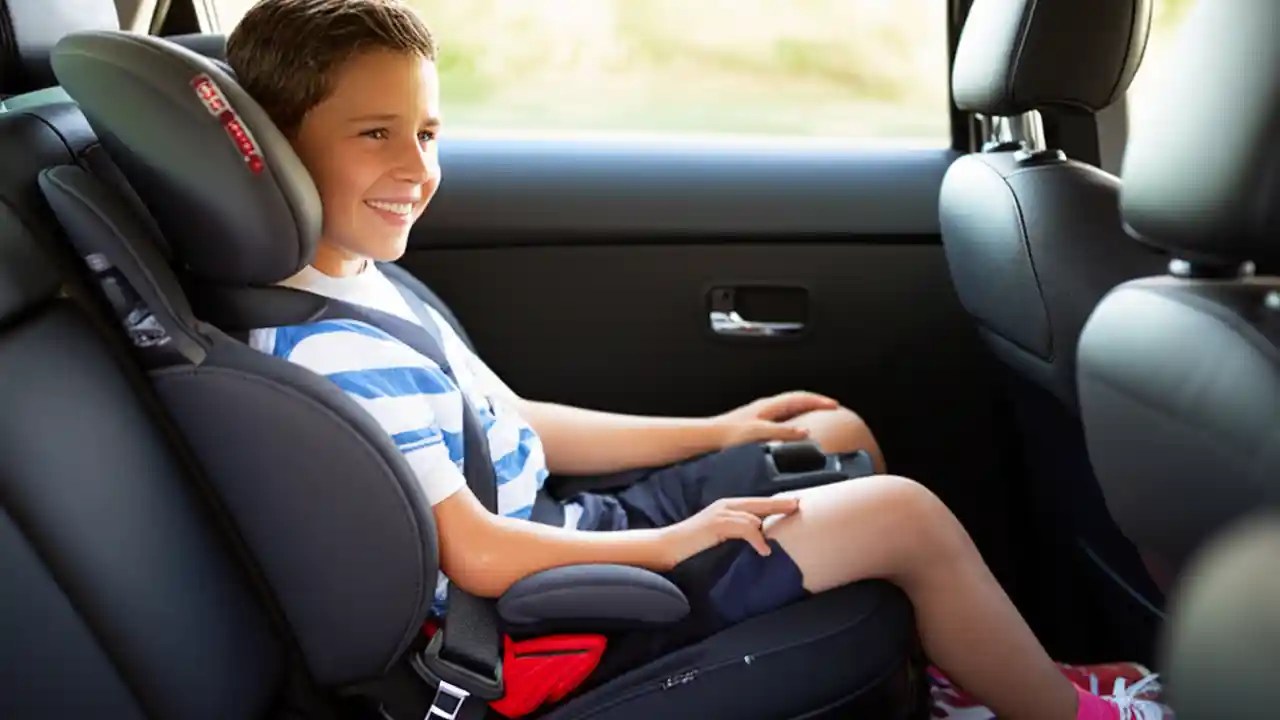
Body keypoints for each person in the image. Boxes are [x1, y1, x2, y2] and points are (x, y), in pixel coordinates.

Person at [228, 2, 1168, 717]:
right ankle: (1061, 712)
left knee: (829, 431)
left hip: (569, 527)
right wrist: (674, 541)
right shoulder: (335, 353)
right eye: (376, 133)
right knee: (903, 514)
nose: (417, 166)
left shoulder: (364, 285)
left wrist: (717, 432)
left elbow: (515, 420)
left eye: (427, 132)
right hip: (549, 607)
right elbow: (475, 554)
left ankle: (974, 675)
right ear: (274, 146)